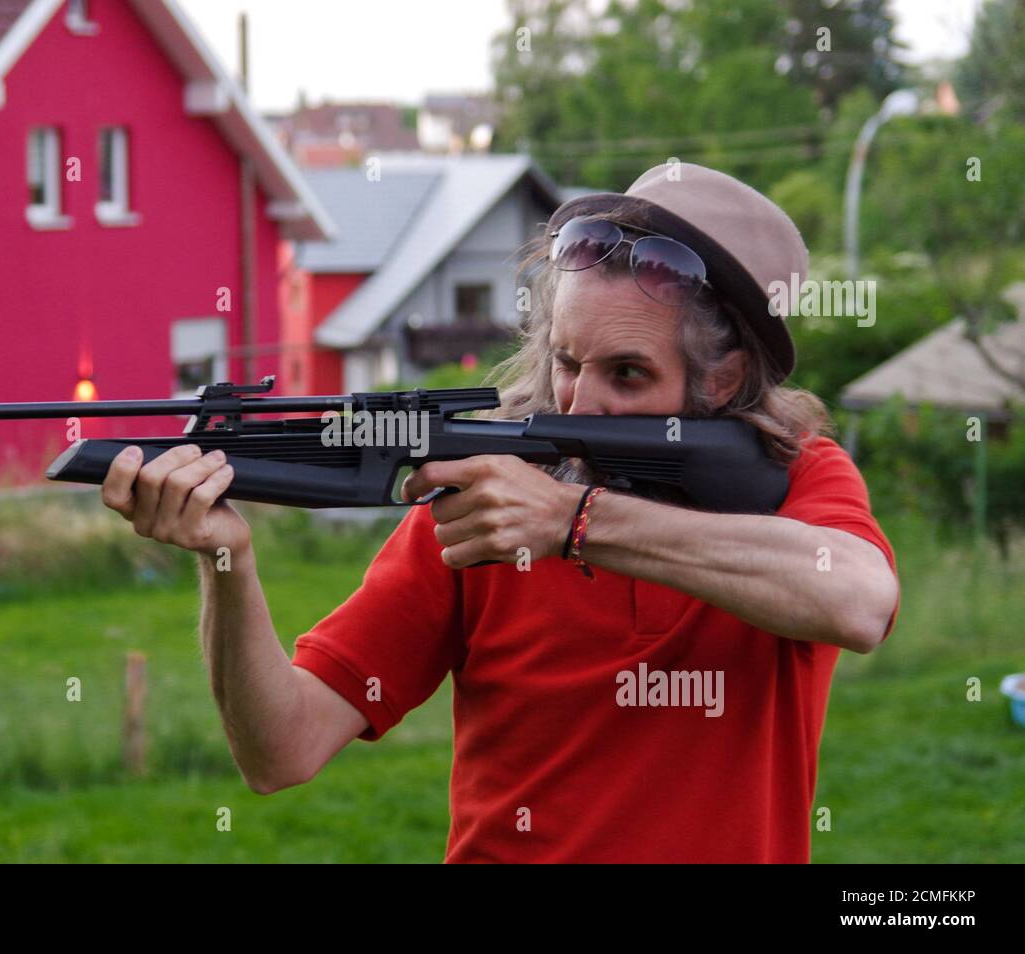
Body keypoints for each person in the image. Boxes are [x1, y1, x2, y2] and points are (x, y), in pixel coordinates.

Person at [100, 162, 900, 863]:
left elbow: (859, 602)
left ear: (722, 381)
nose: (577, 404)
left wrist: (573, 521)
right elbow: (280, 751)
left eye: (627, 375)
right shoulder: (481, 501)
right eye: (566, 362)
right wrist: (224, 558)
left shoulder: (796, 481)